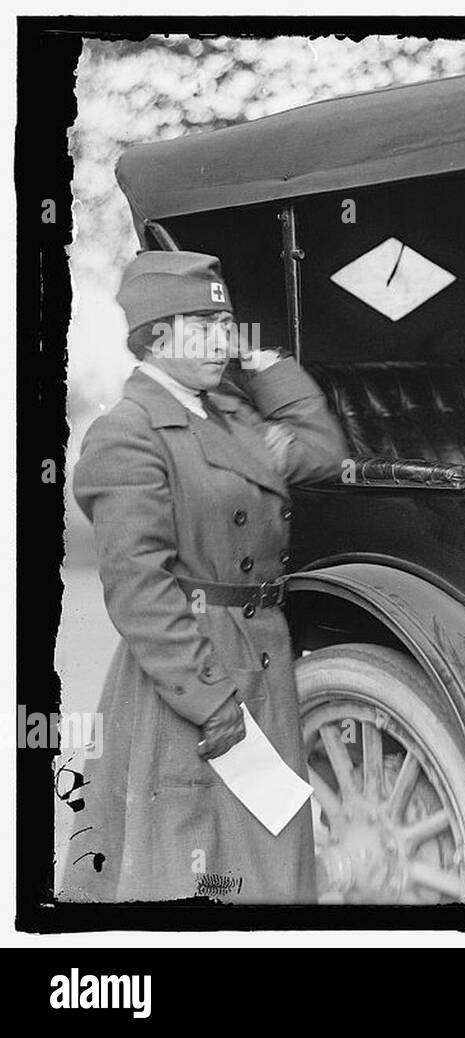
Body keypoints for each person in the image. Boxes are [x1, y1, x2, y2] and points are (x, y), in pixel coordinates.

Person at [62, 251, 347, 903]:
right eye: (205, 327)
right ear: (158, 338)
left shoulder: (232, 416)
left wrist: (263, 360)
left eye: (229, 325)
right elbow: (140, 590)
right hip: (192, 679)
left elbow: (322, 454)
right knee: (195, 874)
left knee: (269, 868)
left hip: (262, 665)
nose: (225, 340)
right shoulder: (126, 434)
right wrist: (209, 700)